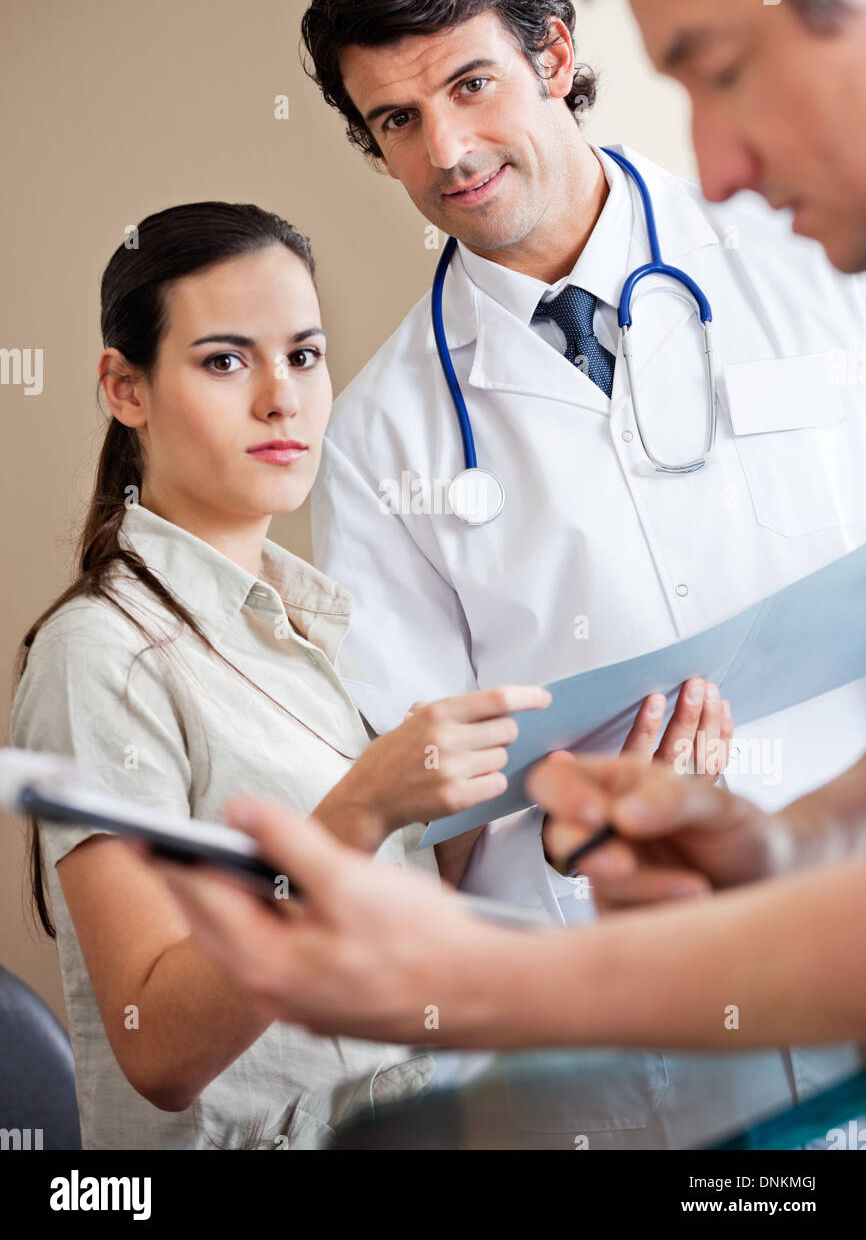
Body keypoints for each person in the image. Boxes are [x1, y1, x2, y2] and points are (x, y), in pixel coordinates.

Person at [141, 0, 866, 1084]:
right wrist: (593, 827)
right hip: (620, 1010)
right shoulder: (376, 436)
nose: (450, 151)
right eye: (397, 121)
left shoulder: (802, 239)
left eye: (473, 84)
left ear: (556, 55)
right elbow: (446, 823)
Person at [9, 199, 562, 1149]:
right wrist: (359, 812)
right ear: (124, 387)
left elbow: (400, 892)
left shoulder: (326, 632)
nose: (283, 397)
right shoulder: (98, 654)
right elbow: (158, 1049)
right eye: (226, 360)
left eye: (304, 356)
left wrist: (549, 785)